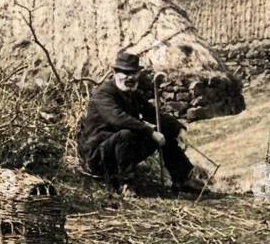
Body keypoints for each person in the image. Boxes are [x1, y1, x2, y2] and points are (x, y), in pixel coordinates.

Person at [78, 50, 194, 191]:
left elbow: (153, 113)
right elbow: (117, 118)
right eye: (126, 73)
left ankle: (182, 179)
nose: (130, 77)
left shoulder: (132, 94)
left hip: (122, 151)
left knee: (165, 130)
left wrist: (179, 128)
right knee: (126, 134)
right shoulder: (103, 93)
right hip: (99, 154)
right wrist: (150, 132)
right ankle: (126, 185)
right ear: (115, 73)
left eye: (133, 73)